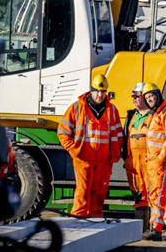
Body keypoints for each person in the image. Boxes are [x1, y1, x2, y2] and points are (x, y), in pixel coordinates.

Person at [57, 74, 122, 217]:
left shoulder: (112, 110)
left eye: (103, 91)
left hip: (104, 159)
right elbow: (63, 131)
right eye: (97, 91)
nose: (100, 95)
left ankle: (95, 217)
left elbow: (118, 134)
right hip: (83, 157)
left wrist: (115, 154)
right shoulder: (76, 108)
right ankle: (78, 216)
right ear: (91, 90)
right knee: (83, 189)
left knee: (100, 190)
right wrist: (73, 150)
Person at [141, 83, 166, 242]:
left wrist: (160, 159)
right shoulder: (155, 114)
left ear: (158, 95)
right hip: (153, 162)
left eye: (152, 95)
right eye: (147, 97)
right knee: (165, 194)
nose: (150, 99)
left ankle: (155, 228)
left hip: (161, 162)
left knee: (157, 195)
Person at [122, 82, 151, 231]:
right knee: (138, 198)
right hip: (133, 164)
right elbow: (125, 138)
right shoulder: (131, 116)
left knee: (150, 198)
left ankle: (150, 229)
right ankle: (141, 230)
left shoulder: (154, 116)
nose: (134, 98)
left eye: (137, 96)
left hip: (148, 164)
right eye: (133, 96)